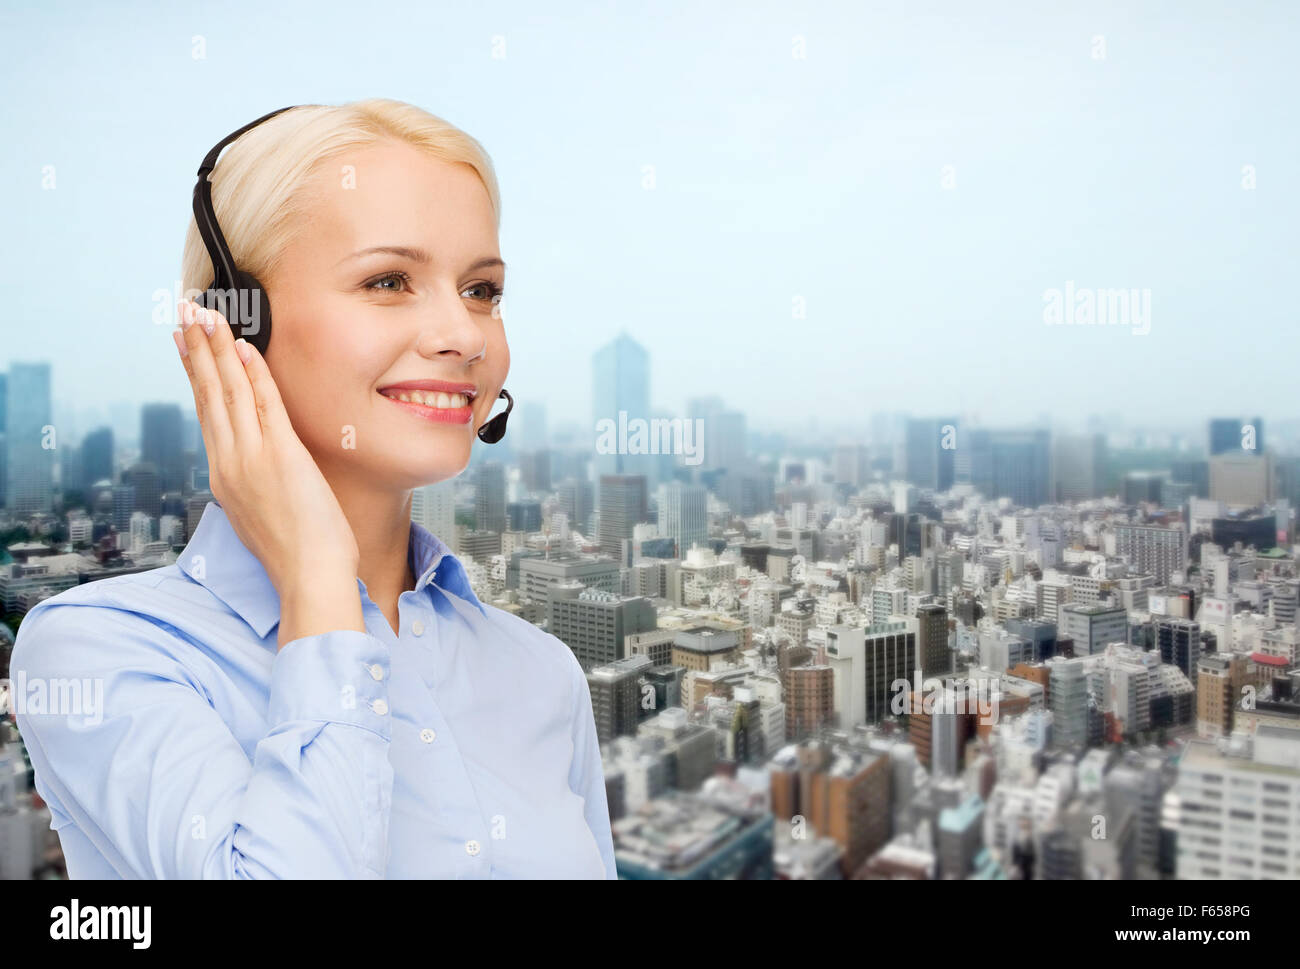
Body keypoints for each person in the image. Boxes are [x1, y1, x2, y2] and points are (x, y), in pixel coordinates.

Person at [10, 98, 617, 879]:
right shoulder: (98, 652)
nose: (464, 337)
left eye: (482, 290)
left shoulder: (541, 673)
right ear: (234, 325)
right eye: (390, 280)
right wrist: (318, 583)